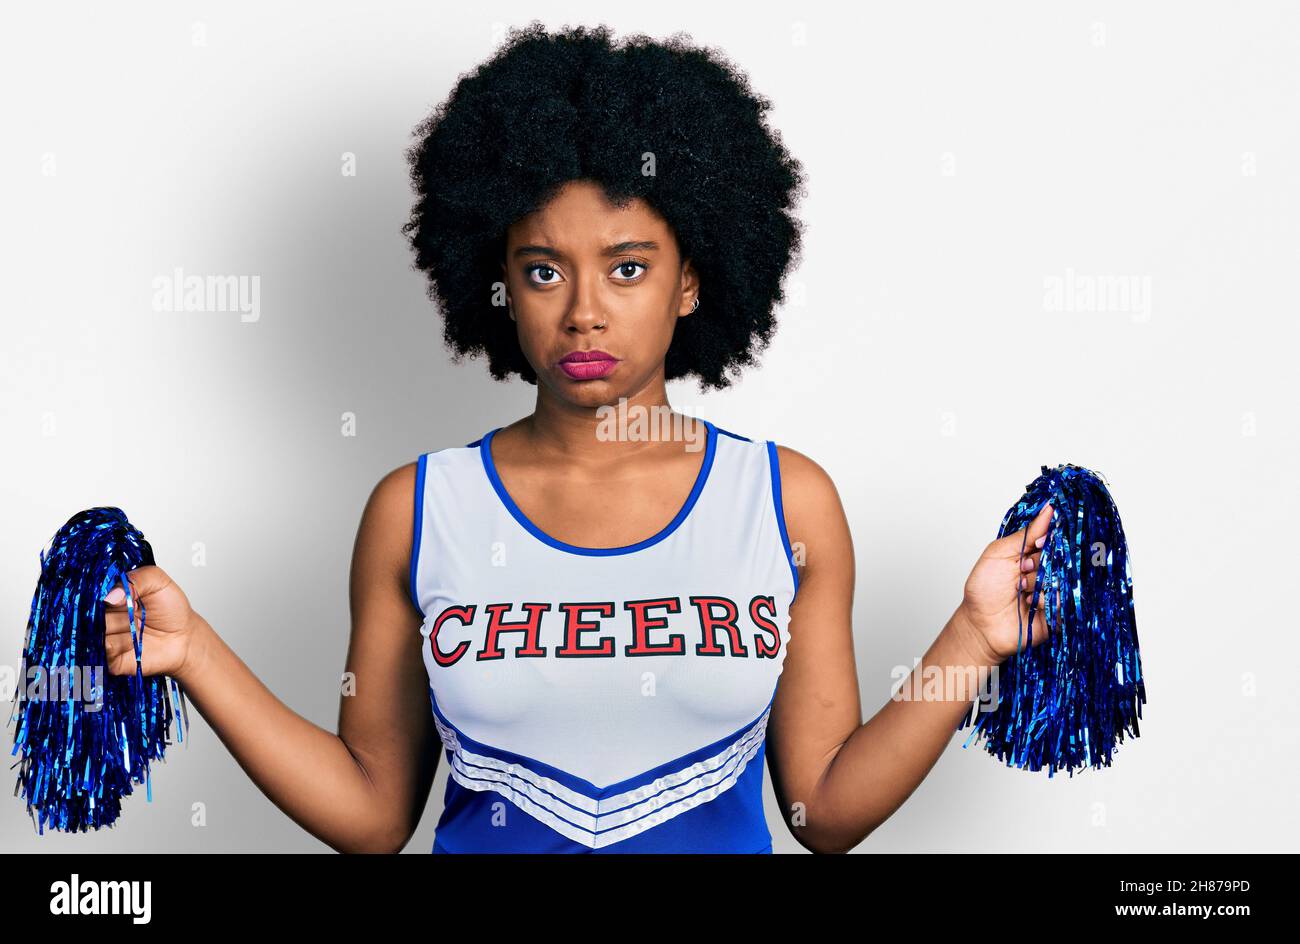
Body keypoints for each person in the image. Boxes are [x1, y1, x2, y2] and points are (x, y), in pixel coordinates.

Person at [101, 22, 1053, 854]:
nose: (586, 313)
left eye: (629, 268)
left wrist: (972, 636)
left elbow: (826, 812)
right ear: (500, 283)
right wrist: (195, 657)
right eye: (545, 270)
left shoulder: (783, 500)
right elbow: (373, 814)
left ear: (692, 281)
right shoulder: (419, 508)